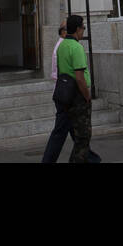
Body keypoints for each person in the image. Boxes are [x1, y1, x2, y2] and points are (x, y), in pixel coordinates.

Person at [41, 15, 94, 163]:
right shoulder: (76, 47)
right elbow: (79, 77)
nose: (84, 30)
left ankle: (91, 158)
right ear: (77, 29)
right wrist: (87, 95)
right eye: (83, 28)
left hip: (64, 94)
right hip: (76, 96)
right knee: (83, 136)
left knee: (71, 132)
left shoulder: (62, 45)